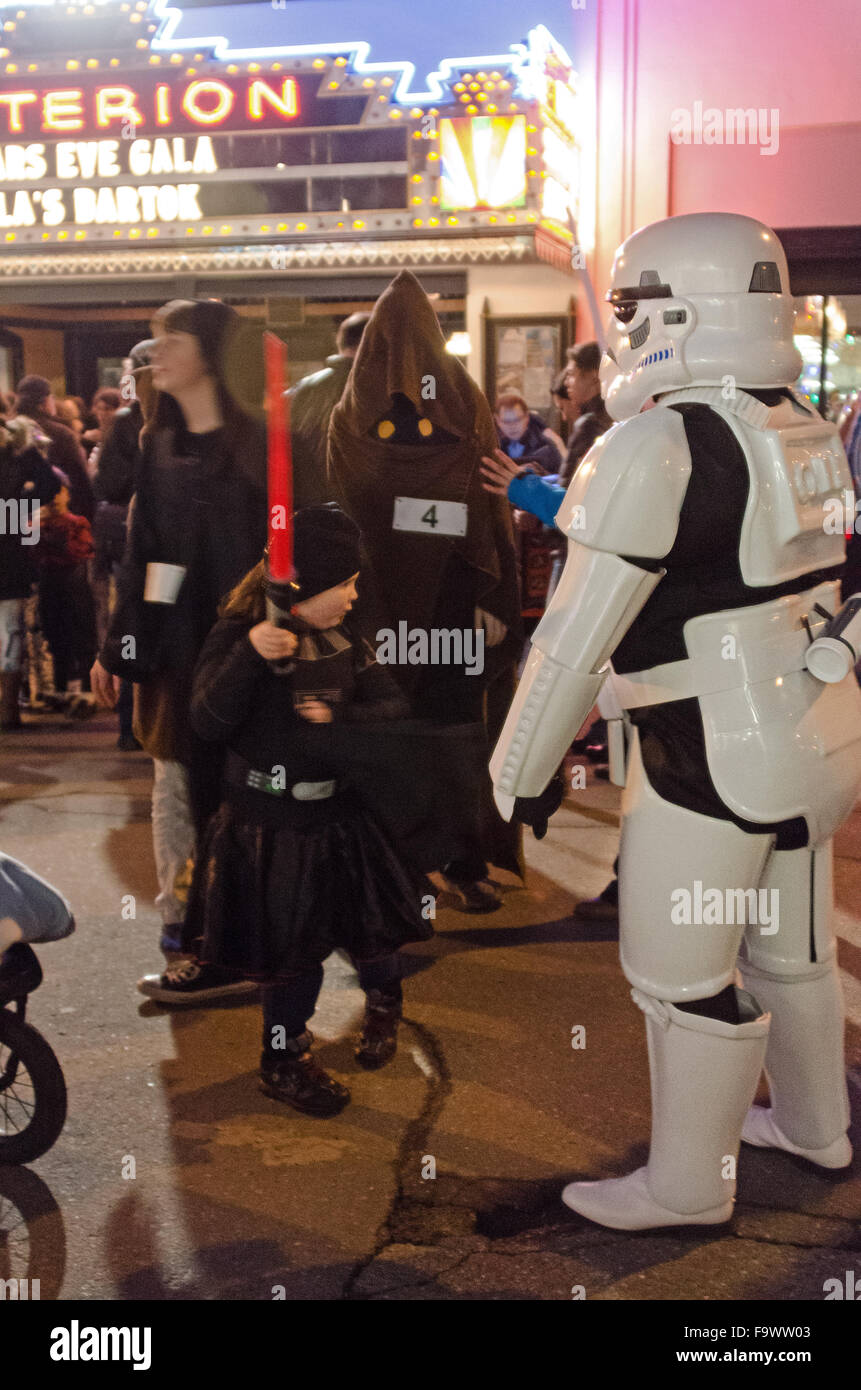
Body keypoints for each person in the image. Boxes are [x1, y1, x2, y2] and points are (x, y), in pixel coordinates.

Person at [491, 211, 861, 1230]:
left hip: (710, 748)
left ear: (678, 313)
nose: (616, 329)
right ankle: (816, 1126)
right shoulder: (804, 421)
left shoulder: (653, 442)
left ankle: (688, 1188)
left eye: (628, 307)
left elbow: (571, 638)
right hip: (816, 734)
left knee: (679, 974)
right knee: (794, 952)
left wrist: (513, 776)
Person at [140, 505, 434, 1117]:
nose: (355, 595)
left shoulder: (346, 640)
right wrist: (250, 653)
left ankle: (383, 1009)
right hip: (268, 828)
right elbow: (206, 720)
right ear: (306, 584)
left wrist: (341, 718)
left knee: (373, 938)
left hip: (341, 820)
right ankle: (284, 1060)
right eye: (345, 583)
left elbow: (393, 710)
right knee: (289, 959)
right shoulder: (239, 631)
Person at [329, 270, 523, 912]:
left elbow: (473, 503)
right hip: (436, 604)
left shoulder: (357, 413)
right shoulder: (452, 403)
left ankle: (430, 863)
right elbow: (471, 512)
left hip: (407, 609)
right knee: (441, 736)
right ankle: (433, 864)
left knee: (435, 736)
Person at [91, 299, 268, 995]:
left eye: (173, 341)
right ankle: (212, 947)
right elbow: (150, 561)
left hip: (254, 657)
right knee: (194, 797)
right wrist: (123, 652)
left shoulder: (259, 441)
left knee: (249, 801)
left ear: (213, 355)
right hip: (187, 657)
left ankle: (261, 948)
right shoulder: (164, 444)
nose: (156, 353)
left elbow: (294, 546)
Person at [0, 415, 55, 730]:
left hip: (9, 557)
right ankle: (8, 710)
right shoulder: (15, 461)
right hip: (9, 557)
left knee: (10, 631)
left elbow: (46, 487)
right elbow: (48, 485)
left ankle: (8, 707)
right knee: (10, 632)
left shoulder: (14, 462)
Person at [288, 312, 370, 509]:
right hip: (362, 508)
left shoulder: (301, 389)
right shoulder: (379, 389)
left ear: (341, 343)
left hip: (307, 506)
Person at [36, 469, 98, 701]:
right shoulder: (36, 522)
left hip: (73, 585)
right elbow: (31, 551)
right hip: (50, 583)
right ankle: (62, 687)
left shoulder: (77, 522)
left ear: (66, 494)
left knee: (80, 635)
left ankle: (85, 687)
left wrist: (50, 539)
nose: (53, 498)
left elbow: (81, 550)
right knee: (55, 635)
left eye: (57, 492)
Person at [14, 376, 94, 522]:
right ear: (44, 402)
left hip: (13, 516)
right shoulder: (61, 434)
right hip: (53, 516)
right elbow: (80, 479)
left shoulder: (9, 430)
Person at [559, 341, 614, 487]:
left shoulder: (588, 425)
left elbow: (568, 492)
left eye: (571, 374)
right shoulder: (614, 415)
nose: (566, 383)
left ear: (594, 377)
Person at [494, 392, 563, 474]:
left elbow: (559, 480)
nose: (512, 426)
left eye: (517, 420)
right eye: (506, 421)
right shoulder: (492, 447)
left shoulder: (546, 446)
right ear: (497, 420)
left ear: (527, 417)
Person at [82, 387, 121, 463]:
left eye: (108, 409)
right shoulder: (88, 437)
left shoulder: (124, 437)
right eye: (99, 408)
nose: (102, 413)